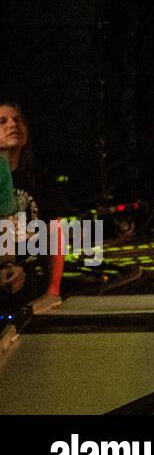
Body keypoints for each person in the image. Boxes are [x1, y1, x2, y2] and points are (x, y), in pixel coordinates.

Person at [0, 101, 66, 311]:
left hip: (32, 291)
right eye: (2, 122)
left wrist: (53, 290)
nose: (13, 125)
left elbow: (56, 237)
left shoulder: (41, 180)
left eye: (18, 120)